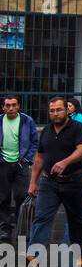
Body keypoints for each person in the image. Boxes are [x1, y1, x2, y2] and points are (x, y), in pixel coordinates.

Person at [27, 97, 82, 249]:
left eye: (59, 110)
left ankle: (78, 255)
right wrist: (33, 182)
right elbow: (40, 157)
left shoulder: (77, 128)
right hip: (49, 182)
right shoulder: (46, 130)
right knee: (41, 218)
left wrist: (65, 162)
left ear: (67, 110)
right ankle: (34, 256)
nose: (56, 113)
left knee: (76, 221)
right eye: (52, 111)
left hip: (73, 182)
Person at [0, 95, 37, 242]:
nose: (11, 108)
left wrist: (27, 159)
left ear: (18, 106)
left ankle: (22, 228)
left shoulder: (27, 120)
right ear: (3, 107)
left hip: (21, 164)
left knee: (22, 196)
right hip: (3, 164)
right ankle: (5, 229)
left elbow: (34, 141)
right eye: (7, 105)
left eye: (14, 105)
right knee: (3, 198)